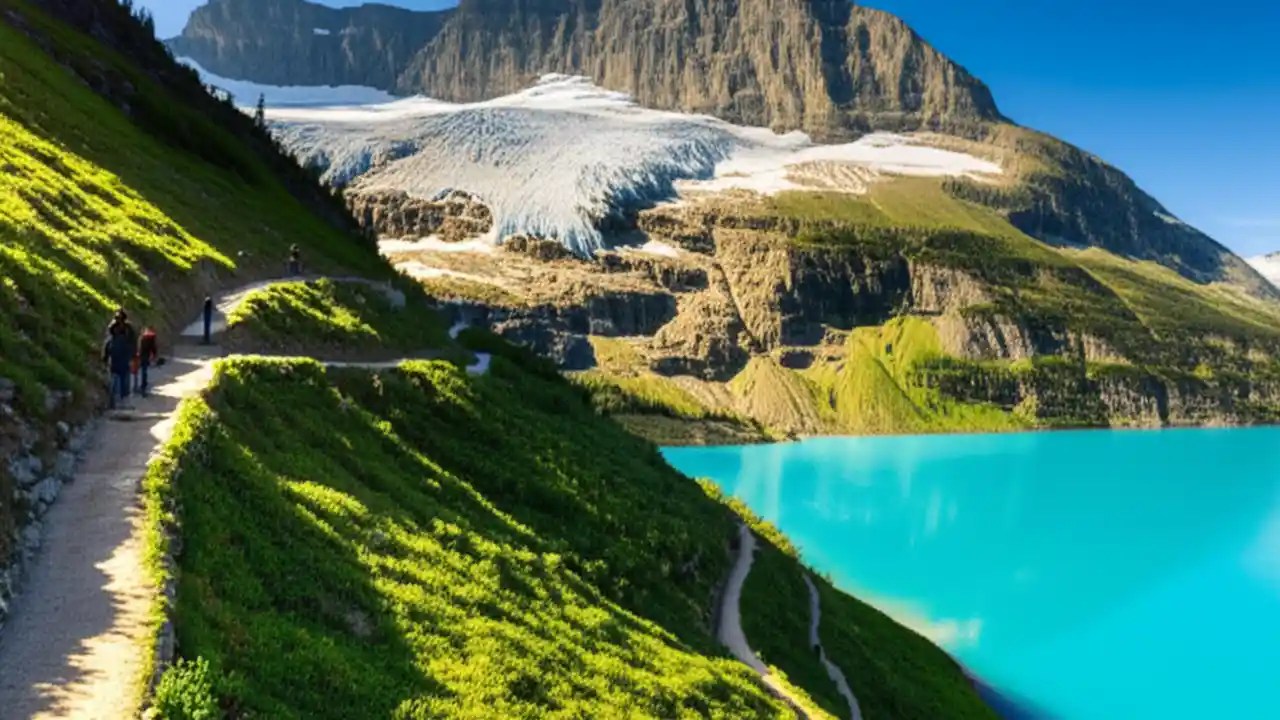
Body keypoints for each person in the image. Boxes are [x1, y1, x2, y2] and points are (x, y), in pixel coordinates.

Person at [102, 309, 137, 410]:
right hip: (118, 358)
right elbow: (108, 343)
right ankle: (116, 402)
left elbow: (107, 344)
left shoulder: (127, 329)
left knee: (121, 380)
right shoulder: (114, 329)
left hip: (121, 357)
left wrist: (133, 355)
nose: (119, 321)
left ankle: (120, 401)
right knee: (117, 380)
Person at [136, 325, 159, 397]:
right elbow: (153, 348)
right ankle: (143, 386)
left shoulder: (142, 337)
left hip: (140, 355)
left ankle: (138, 387)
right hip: (146, 356)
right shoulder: (151, 337)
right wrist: (154, 356)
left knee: (137, 371)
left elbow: (139, 347)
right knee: (144, 371)